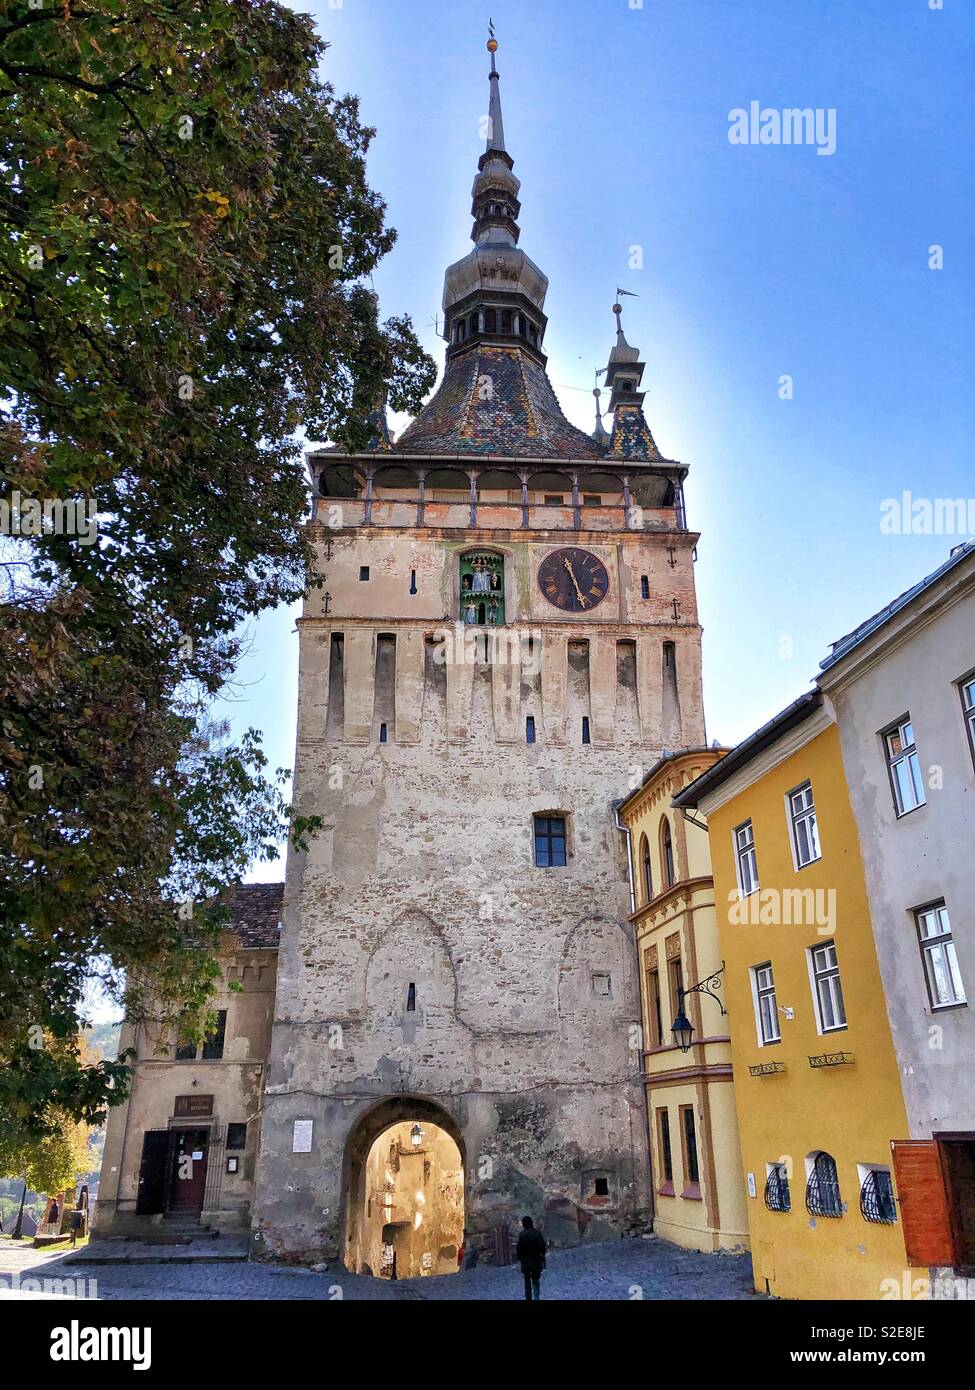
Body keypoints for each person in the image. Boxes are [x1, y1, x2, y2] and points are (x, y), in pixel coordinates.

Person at [515, 1215, 546, 1301]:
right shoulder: (537, 1233)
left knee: (527, 1281)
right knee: (536, 1279)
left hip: (526, 1262)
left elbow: (519, 1249)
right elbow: (543, 1247)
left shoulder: (522, 1235)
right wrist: (542, 1256)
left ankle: (528, 1297)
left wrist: (520, 1259)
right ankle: (536, 1296)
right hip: (536, 1261)